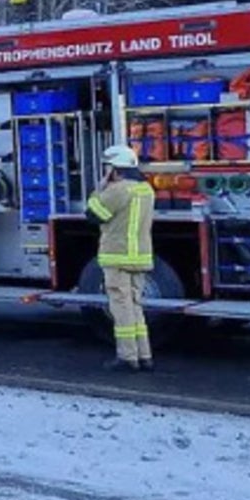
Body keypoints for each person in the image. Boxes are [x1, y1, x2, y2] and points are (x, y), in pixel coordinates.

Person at [86, 145, 157, 373]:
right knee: (136, 306)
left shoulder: (118, 190)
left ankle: (127, 357)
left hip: (117, 256)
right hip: (140, 256)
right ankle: (144, 355)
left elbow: (93, 215)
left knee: (121, 307)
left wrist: (99, 189)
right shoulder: (146, 189)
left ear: (115, 169)